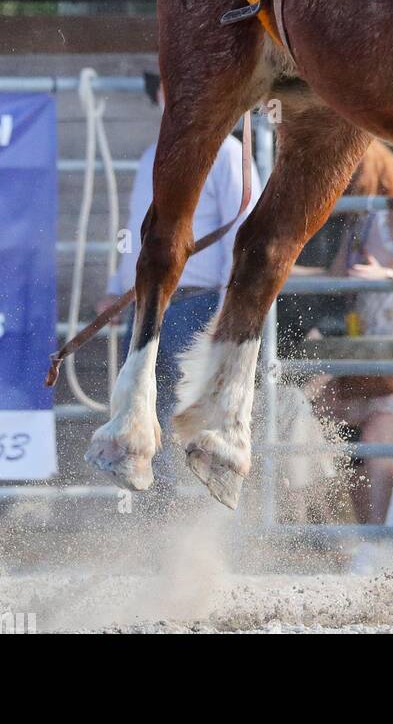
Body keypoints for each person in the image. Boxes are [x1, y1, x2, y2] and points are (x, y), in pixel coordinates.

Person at [106, 75, 259, 498]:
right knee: (147, 409)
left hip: (199, 303)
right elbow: (139, 234)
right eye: (166, 88)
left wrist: (233, 304)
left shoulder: (228, 155)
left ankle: (186, 504)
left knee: (184, 406)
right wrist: (119, 286)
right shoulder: (152, 159)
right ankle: (162, 504)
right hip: (151, 304)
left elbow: (244, 233)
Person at [305, 143, 393, 529]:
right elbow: (336, 275)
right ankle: (360, 530)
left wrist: (384, 275)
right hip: (372, 340)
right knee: (327, 412)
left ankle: (386, 534)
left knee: (380, 430)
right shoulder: (356, 220)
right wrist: (280, 273)